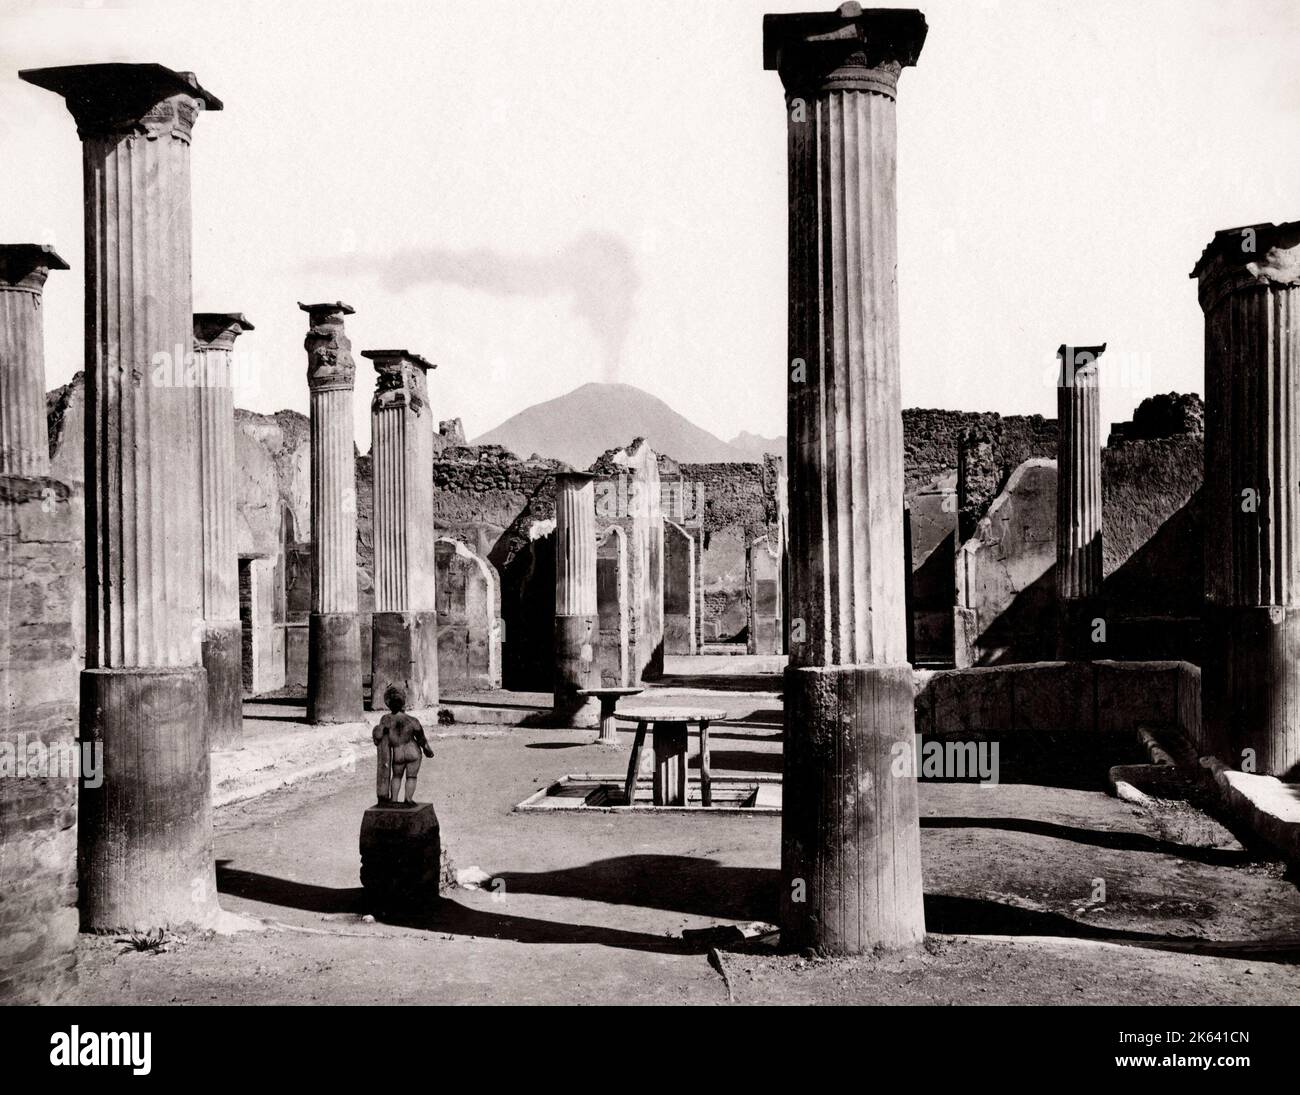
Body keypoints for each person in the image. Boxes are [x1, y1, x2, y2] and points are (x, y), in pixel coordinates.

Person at [372, 684, 434, 805]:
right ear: (403, 701)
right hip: (413, 752)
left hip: (398, 753)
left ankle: (394, 799)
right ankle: (408, 799)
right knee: (411, 777)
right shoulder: (412, 720)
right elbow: (422, 739)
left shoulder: (385, 719)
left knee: (396, 777)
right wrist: (428, 750)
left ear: (388, 702)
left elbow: (378, 736)